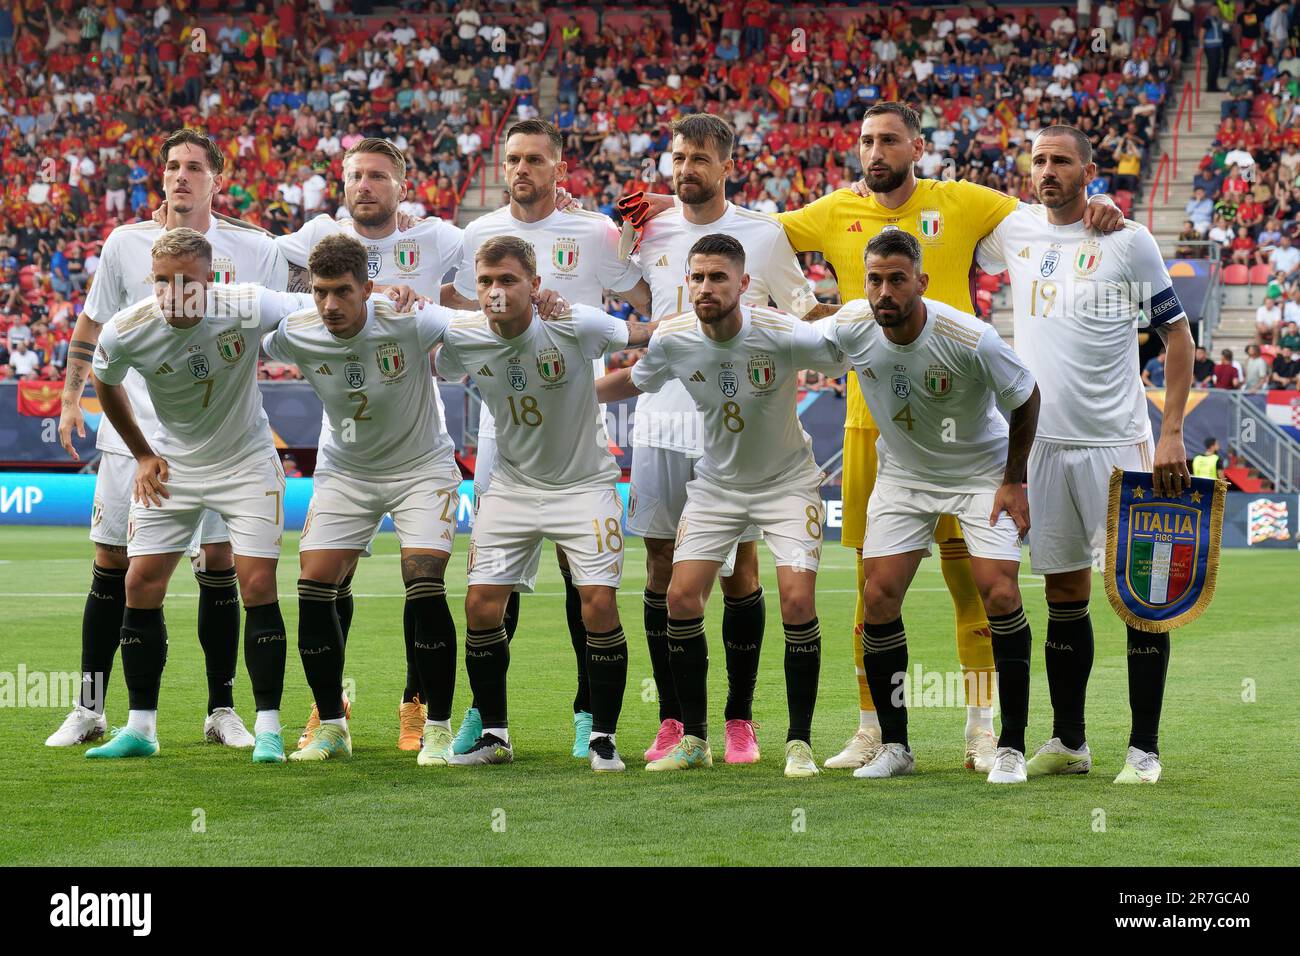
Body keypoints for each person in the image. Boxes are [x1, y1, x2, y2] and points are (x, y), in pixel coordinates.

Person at [777, 102, 1123, 771]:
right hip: (874, 430)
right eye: (866, 140)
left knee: (982, 591)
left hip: (967, 434)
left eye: (888, 140)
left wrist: (1095, 199)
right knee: (872, 591)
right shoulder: (831, 214)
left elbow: (1044, 212)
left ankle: (986, 732)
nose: (875, 152)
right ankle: (877, 733)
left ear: (917, 146)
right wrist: (799, 304)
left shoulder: (962, 203)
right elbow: (751, 245)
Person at [47, 129, 288, 751]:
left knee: (219, 567)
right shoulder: (125, 243)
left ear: (217, 177)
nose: (180, 177)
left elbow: (306, 298)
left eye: (193, 168)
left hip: (218, 439)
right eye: (171, 166)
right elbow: (93, 325)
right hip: (135, 441)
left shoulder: (255, 248)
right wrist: (72, 398)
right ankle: (91, 708)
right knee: (113, 567)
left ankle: (222, 709)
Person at [975, 124, 1196, 784]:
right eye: (1039, 160)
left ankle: (1145, 750)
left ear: (1088, 169)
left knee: (1140, 597)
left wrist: (1172, 431)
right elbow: (930, 211)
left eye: (1061, 161)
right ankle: (1070, 741)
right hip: (1042, 447)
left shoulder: (1127, 239)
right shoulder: (1012, 231)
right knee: (1065, 593)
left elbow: (1179, 337)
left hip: (1118, 446)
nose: (1048, 170)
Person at [439, 119, 651, 759]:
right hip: (505, 427)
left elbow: (643, 302)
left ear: (559, 168)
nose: (522, 169)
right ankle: (486, 717)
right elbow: (448, 302)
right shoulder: (478, 235)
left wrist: (638, 236)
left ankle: (591, 714)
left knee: (582, 583)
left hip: (573, 418)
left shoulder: (592, 231)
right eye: (512, 159)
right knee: (488, 590)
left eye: (535, 159)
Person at [597, 234, 846, 778]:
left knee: (798, 602)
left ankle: (798, 742)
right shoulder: (675, 338)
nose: (706, 287)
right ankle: (694, 738)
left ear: (743, 284)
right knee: (681, 599)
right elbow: (634, 382)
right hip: (716, 486)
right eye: (697, 278)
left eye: (718, 278)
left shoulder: (780, 333)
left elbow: (846, 351)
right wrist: (572, 393)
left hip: (787, 482)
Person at [625, 113, 829, 766]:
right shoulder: (646, 230)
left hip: (739, 439)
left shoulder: (762, 236)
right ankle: (676, 721)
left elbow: (806, 316)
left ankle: (740, 718)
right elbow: (636, 309)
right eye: (677, 158)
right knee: (663, 568)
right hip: (661, 420)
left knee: (740, 573)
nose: (685, 170)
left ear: (726, 165)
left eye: (700, 159)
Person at [821, 229, 1041, 782]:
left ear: (921, 281)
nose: (885, 291)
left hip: (978, 472)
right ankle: (896, 746)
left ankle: (1009, 744)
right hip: (905, 474)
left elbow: (1027, 395)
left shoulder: (970, 337)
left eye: (897, 279)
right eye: (875, 279)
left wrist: (1013, 481)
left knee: (999, 591)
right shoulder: (852, 326)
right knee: (877, 594)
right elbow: (797, 338)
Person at [86, 227, 312, 761]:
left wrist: (386, 297)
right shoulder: (128, 328)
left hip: (245, 461)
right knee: (140, 582)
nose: (171, 293)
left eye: (184, 282)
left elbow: (319, 301)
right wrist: (142, 454)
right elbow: (104, 379)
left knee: (255, 581)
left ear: (210, 281)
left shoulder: (247, 304)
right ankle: (140, 727)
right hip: (174, 464)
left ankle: (268, 727)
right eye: (161, 281)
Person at [273, 138, 464, 751]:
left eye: (379, 176)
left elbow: (481, 307)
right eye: (355, 175)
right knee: (314, 583)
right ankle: (331, 721)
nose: (365, 185)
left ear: (401, 186)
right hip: (345, 465)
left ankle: (427, 717)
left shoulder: (428, 266)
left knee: (424, 579)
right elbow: (254, 302)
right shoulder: (304, 295)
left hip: (420, 461)